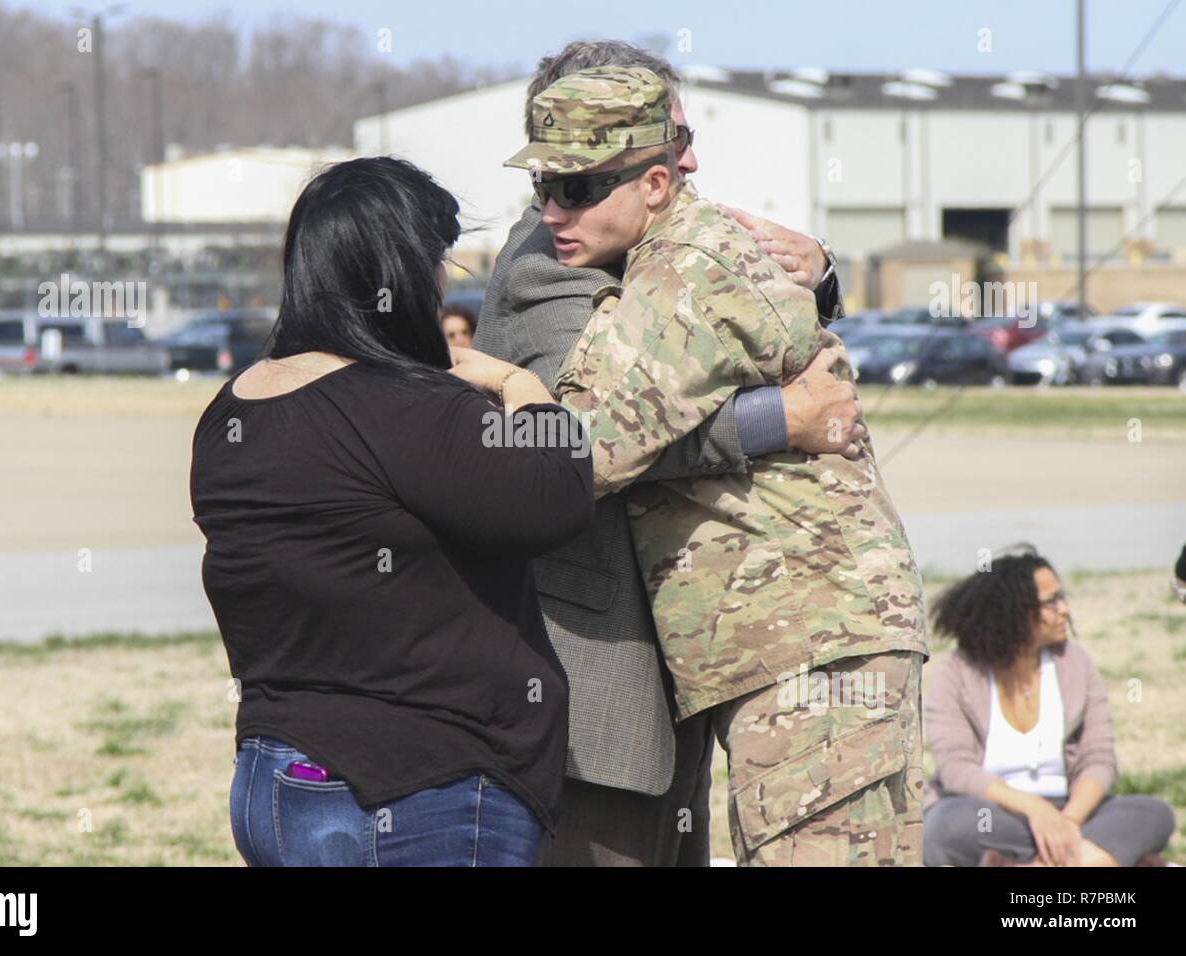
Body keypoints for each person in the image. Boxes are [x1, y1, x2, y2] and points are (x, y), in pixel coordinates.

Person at [508, 65, 927, 866]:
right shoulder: (680, 252)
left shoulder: (679, 276)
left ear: (657, 182)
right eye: (542, 185)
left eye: (580, 187)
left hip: (811, 647)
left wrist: (485, 386)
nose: (552, 212)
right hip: (805, 644)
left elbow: (575, 455)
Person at [190, 156, 594, 867]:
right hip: (422, 788)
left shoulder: (231, 411)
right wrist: (520, 383)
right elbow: (554, 494)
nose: (441, 282)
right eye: (435, 260)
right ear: (400, 270)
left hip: (276, 781)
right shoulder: (406, 408)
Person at [923, 548, 1175, 867]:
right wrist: (1035, 810)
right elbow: (956, 768)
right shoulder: (956, 672)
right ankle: (1094, 859)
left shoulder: (1075, 662)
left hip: (1075, 813)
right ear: (1015, 611)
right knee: (945, 825)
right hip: (997, 813)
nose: (1065, 610)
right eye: (1051, 601)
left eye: (1062, 597)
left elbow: (1099, 757)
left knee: (1152, 813)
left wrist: (1067, 821)